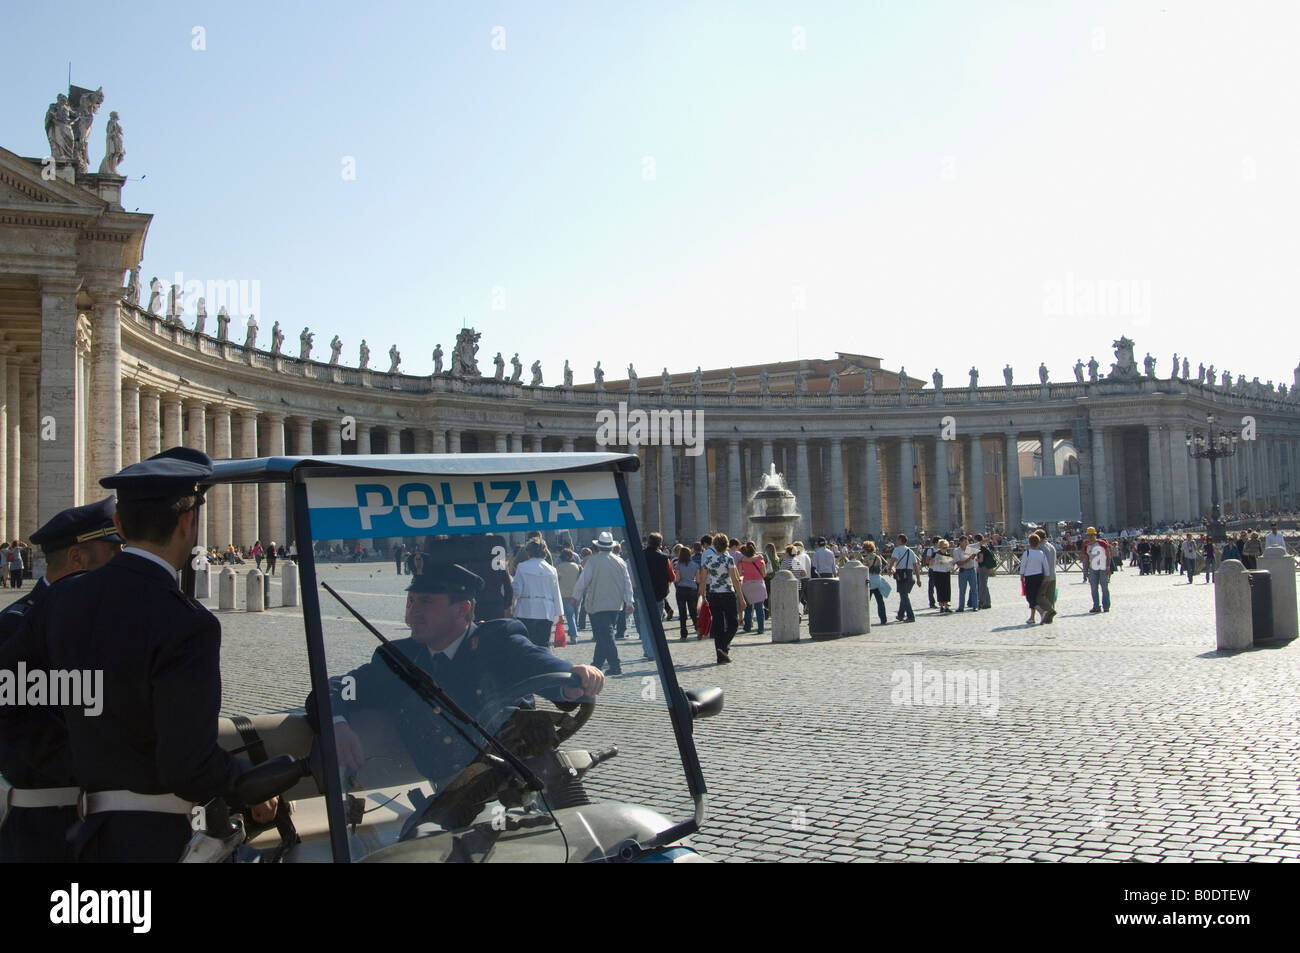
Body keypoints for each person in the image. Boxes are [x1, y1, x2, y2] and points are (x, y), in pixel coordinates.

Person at [38, 448, 276, 861]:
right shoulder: (187, 624)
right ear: (187, 523)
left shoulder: (61, 599)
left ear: (118, 524)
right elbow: (188, 765)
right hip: (157, 840)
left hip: (85, 835)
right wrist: (251, 781)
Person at [313, 563, 604, 792]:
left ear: (462, 609)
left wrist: (575, 678)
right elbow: (337, 688)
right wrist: (336, 722)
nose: (412, 613)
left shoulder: (498, 642)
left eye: (425, 602)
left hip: (521, 782)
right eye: (410, 601)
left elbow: (542, 665)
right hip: (453, 800)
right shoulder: (399, 660)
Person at [0, 497, 123, 862]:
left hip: (105, 823)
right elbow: (30, 734)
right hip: (43, 827)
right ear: (77, 559)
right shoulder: (16, 626)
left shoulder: (110, 620)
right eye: (114, 553)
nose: (123, 564)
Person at [571, 532, 634, 676]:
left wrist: (575, 597)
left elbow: (583, 581)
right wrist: (629, 601)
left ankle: (615, 664)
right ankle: (597, 664)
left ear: (598, 546)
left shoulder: (593, 561)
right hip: (616, 605)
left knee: (606, 635)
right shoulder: (620, 562)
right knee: (603, 635)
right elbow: (627, 584)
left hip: (597, 603)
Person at [696, 533, 745, 664]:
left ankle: (720, 655)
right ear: (726, 545)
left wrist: (703, 596)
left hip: (714, 594)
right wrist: (741, 598)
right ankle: (723, 647)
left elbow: (703, 580)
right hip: (728, 594)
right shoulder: (728, 559)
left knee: (717, 625)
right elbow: (735, 580)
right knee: (733, 624)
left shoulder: (708, 559)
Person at [511, 538, 564, 648]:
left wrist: (510, 605)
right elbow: (556, 593)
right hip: (546, 611)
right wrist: (560, 614)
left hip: (526, 610)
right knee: (543, 645)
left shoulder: (522, 567)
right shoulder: (552, 570)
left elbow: (517, 591)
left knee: (526, 645)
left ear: (528, 552)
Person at [643, 533, 675, 626]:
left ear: (648, 542)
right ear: (660, 543)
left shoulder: (640, 555)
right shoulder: (664, 558)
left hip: (644, 593)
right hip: (659, 593)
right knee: (657, 623)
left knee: (645, 623)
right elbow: (672, 577)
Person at [738, 542, 768, 634]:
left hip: (747, 585)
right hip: (759, 584)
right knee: (759, 608)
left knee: (748, 608)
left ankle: (747, 627)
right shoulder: (760, 560)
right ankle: (761, 628)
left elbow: (739, 574)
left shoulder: (741, 561)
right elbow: (764, 574)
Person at [1020, 534, 1050, 625]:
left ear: (1029, 542)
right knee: (1035, 597)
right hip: (1039, 576)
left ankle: (1042, 612)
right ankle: (1032, 617)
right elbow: (1046, 566)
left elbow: (1023, 565)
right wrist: (1046, 576)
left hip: (1030, 577)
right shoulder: (1041, 553)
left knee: (1029, 597)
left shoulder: (1027, 553)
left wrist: (1021, 575)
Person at [889, 534, 919, 623]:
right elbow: (915, 566)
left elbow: (893, 559)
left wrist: (889, 568)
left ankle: (911, 616)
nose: (896, 541)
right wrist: (918, 578)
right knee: (904, 594)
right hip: (909, 575)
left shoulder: (897, 549)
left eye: (897, 539)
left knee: (904, 596)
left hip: (901, 574)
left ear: (900, 540)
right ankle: (900, 615)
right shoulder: (910, 551)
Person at [670, 544, 698, 639]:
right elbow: (698, 580)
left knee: (682, 612)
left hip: (681, 589)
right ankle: (697, 628)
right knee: (693, 610)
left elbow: (677, 579)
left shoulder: (678, 566)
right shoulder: (695, 565)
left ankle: (683, 632)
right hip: (692, 589)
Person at [555, 547, 582, 643]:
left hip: (565, 594)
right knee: (575, 615)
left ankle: (573, 635)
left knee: (570, 616)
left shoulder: (559, 567)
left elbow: (556, 581)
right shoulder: (577, 566)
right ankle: (572, 634)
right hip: (577, 594)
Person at [1084, 527, 1112, 613]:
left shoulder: (1102, 543)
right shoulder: (1086, 545)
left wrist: (1108, 566)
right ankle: (1096, 606)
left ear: (1095, 535)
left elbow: (1108, 555)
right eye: (1089, 535)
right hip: (1092, 568)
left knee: (1104, 587)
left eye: (1092, 535)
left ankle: (1106, 606)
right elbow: (1087, 558)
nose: (1091, 537)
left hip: (1102, 567)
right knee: (1093, 588)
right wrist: (1086, 570)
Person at [862, 541, 890, 626]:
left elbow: (864, 570)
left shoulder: (865, 559)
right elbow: (881, 569)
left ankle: (864, 619)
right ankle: (883, 619)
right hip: (877, 581)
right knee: (880, 601)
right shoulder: (878, 558)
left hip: (869, 582)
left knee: (866, 602)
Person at [1034, 532, 1057, 624]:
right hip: (1053, 574)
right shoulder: (1052, 546)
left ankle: (1050, 610)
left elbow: (1041, 563)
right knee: (1050, 597)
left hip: (1044, 575)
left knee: (1038, 597)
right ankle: (1049, 619)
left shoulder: (1040, 548)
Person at [954, 535, 978, 612]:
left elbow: (980, 544)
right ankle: (961, 607)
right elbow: (959, 563)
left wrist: (973, 557)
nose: (966, 543)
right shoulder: (956, 551)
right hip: (963, 571)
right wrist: (969, 559)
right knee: (962, 590)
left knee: (974, 589)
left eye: (967, 541)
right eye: (965, 541)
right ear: (960, 542)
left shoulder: (970, 549)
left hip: (971, 570)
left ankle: (975, 606)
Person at [931, 539, 954, 613]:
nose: (945, 549)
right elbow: (930, 563)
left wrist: (950, 566)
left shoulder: (948, 555)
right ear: (940, 547)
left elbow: (951, 565)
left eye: (946, 547)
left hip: (946, 573)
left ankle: (946, 605)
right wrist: (936, 560)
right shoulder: (935, 554)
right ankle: (941, 606)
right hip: (937, 573)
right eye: (943, 547)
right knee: (939, 589)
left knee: (947, 589)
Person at [975, 534, 994, 609]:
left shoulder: (980, 549)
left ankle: (983, 602)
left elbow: (981, 560)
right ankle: (987, 602)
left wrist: (975, 559)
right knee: (984, 585)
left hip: (983, 568)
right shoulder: (984, 547)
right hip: (985, 567)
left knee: (982, 585)